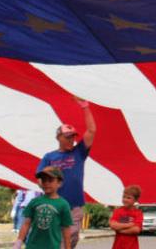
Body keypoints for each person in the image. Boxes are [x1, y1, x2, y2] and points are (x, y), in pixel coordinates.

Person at [36, 97, 96, 249]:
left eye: (73, 137)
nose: (71, 140)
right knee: (56, 241)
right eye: (68, 137)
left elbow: (91, 131)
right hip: (54, 205)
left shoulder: (79, 152)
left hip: (74, 206)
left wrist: (85, 106)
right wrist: (47, 175)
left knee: (70, 238)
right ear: (59, 138)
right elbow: (39, 179)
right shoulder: (49, 157)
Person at [14, 166, 73, 249]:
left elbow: (66, 229)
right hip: (32, 246)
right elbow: (26, 224)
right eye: (44, 180)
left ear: (59, 183)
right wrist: (18, 243)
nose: (46, 183)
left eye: (50, 180)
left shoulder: (63, 204)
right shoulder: (34, 201)